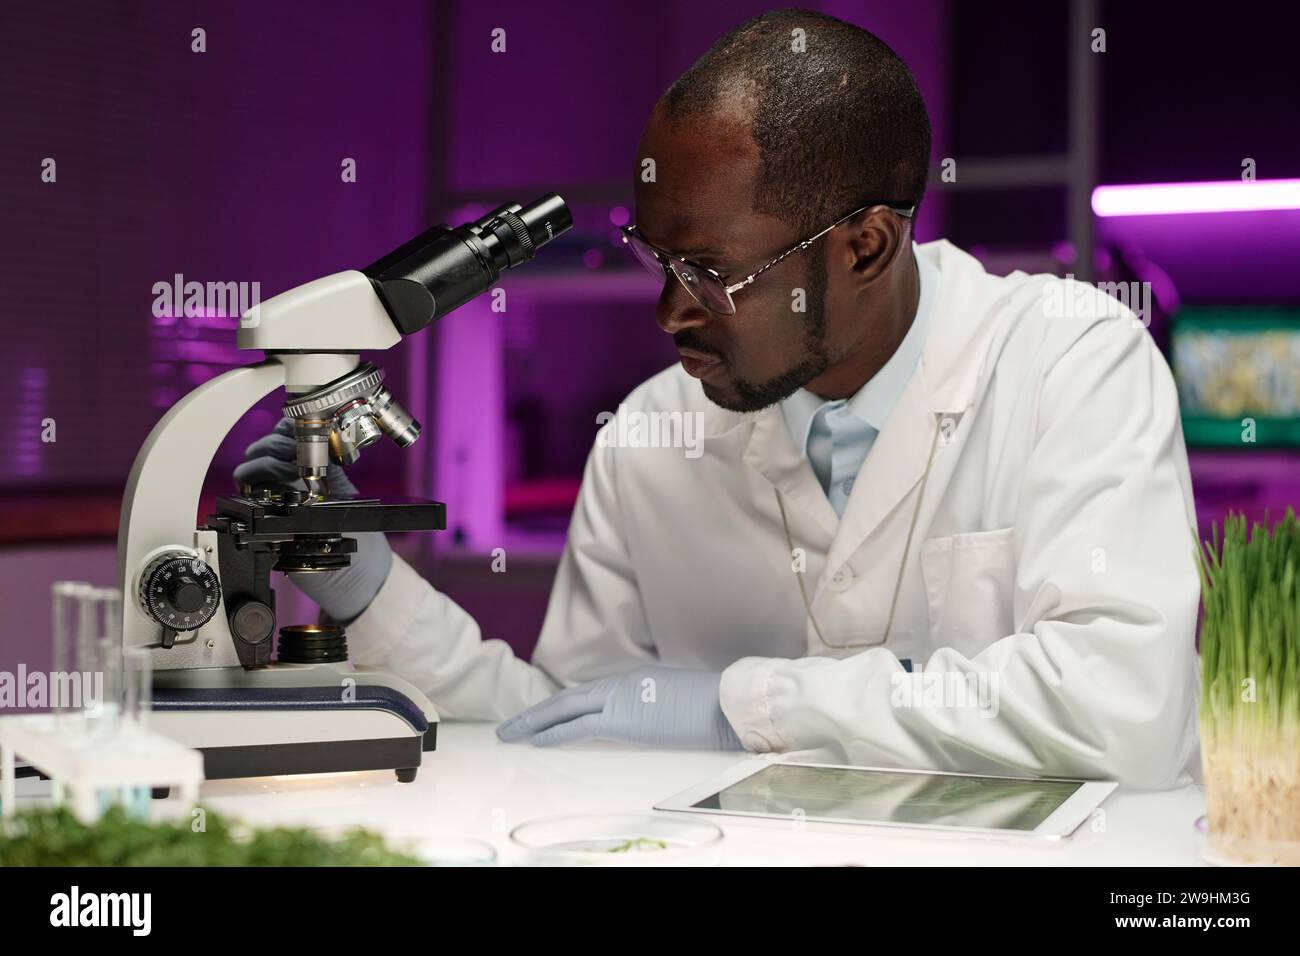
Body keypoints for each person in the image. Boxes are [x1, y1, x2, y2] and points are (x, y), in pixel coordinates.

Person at [237, 9, 1201, 788]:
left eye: (709, 272)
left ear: (865, 245)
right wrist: (372, 593)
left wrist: (743, 706)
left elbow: (1122, 711)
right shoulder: (652, 435)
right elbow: (565, 730)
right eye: (657, 258)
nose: (667, 312)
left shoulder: (1072, 363)